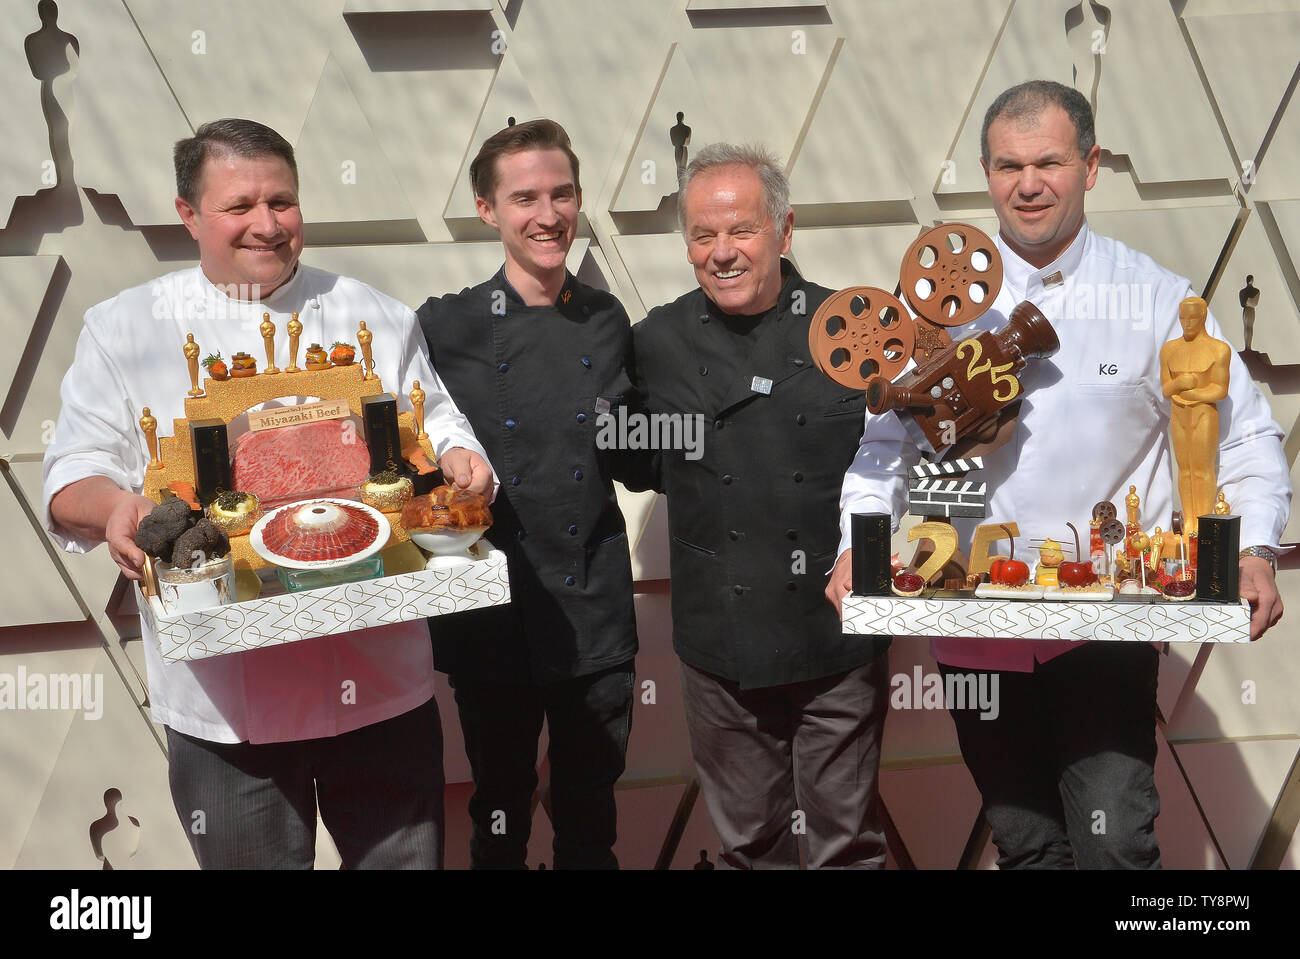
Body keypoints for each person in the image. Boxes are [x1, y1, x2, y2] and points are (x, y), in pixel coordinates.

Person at [830, 80, 1290, 869]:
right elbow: (884, 447)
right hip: (976, 629)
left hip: (1105, 628)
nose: (1028, 183)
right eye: (1008, 165)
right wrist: (854, 545)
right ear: (984, 171)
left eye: (1049, 161)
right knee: (1028, 844)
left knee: (1114, 843)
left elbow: (1241, 436)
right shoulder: (939, 305)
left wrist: (1252, 549)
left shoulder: (1150, 298)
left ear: (1092, 164)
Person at [42, 118, 494, 869]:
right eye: (239, 205)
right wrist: (116, 509)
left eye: (282, 201)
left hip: (380, 681)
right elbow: (70, 476)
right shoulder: (126, 329)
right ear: (189, 215)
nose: (267, 223)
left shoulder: (374, 314)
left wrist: (461, 456)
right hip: (225, 707)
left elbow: (439, 422)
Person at [632, 142, 890, 869]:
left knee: (845, 845)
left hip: (839, 637)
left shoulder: (850, 330)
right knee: (750, 845)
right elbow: (633, 454)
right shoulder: (658, 341)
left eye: (741, 230)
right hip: (722, 644)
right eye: (703, 235)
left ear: (784, 229)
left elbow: (899, 464)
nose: (722, 252)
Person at [416, 119, 641, 869]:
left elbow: (632, 443)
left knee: (590, 816)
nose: (548, 215)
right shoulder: (443, 325)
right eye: (525, 198)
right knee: (499, 811)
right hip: (492, 610)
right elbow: (406, 451)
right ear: (487, 210)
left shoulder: (607, 319)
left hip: (592, 606)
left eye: (562, 193)